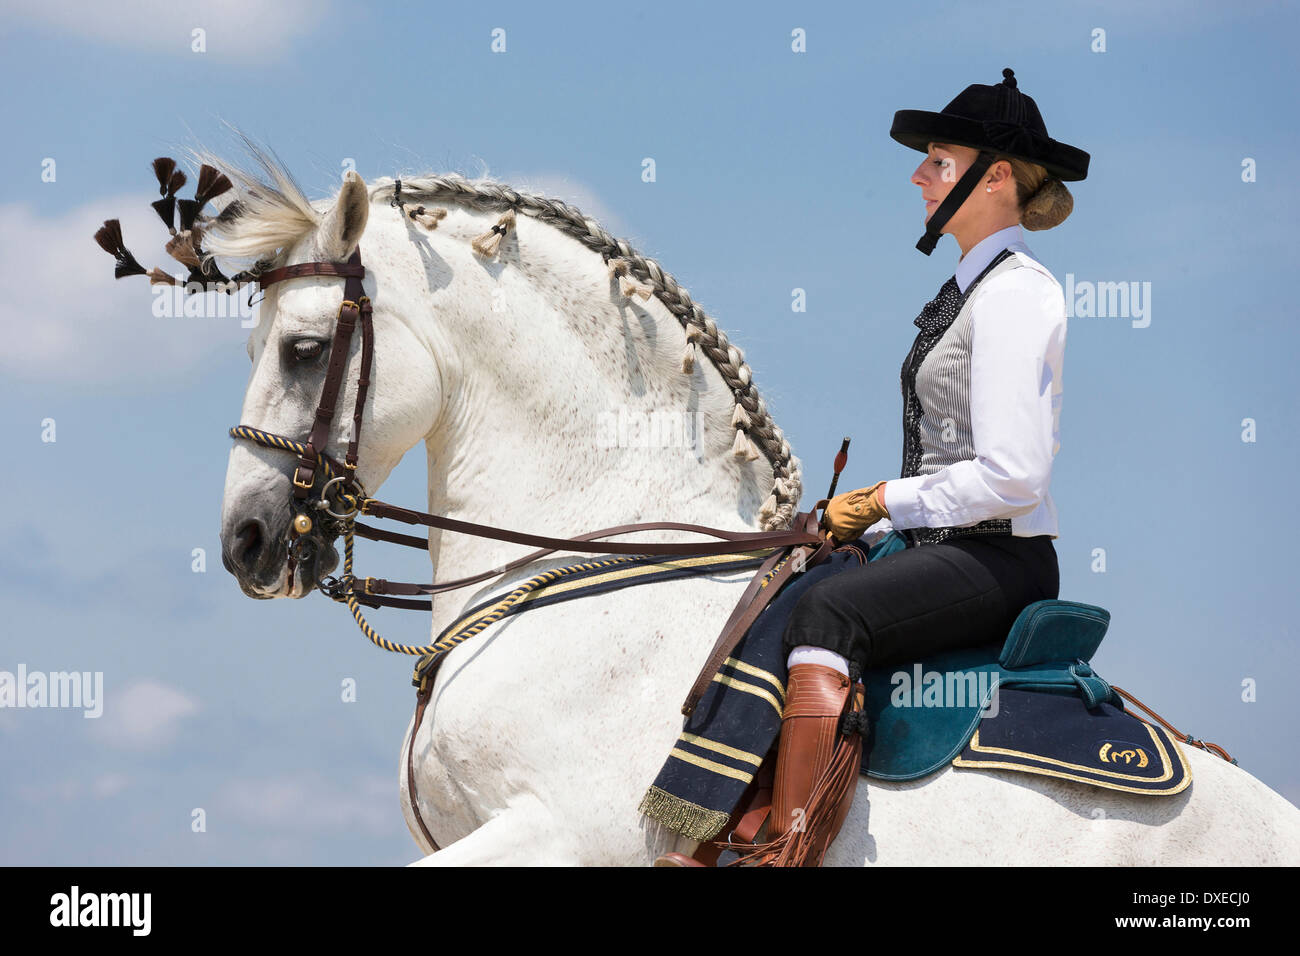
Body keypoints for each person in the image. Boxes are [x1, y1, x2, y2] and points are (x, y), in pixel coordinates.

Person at [759, 67, 1091, 865]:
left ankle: (787, 849)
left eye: (938, 161)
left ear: (997, 176)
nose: (917, 175)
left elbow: (1014, 474)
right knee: (783, 583)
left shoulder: (1015, 294)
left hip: (995, 557)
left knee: (826, 616)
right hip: (944, 546)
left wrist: (881, 500)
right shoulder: (965, 288)